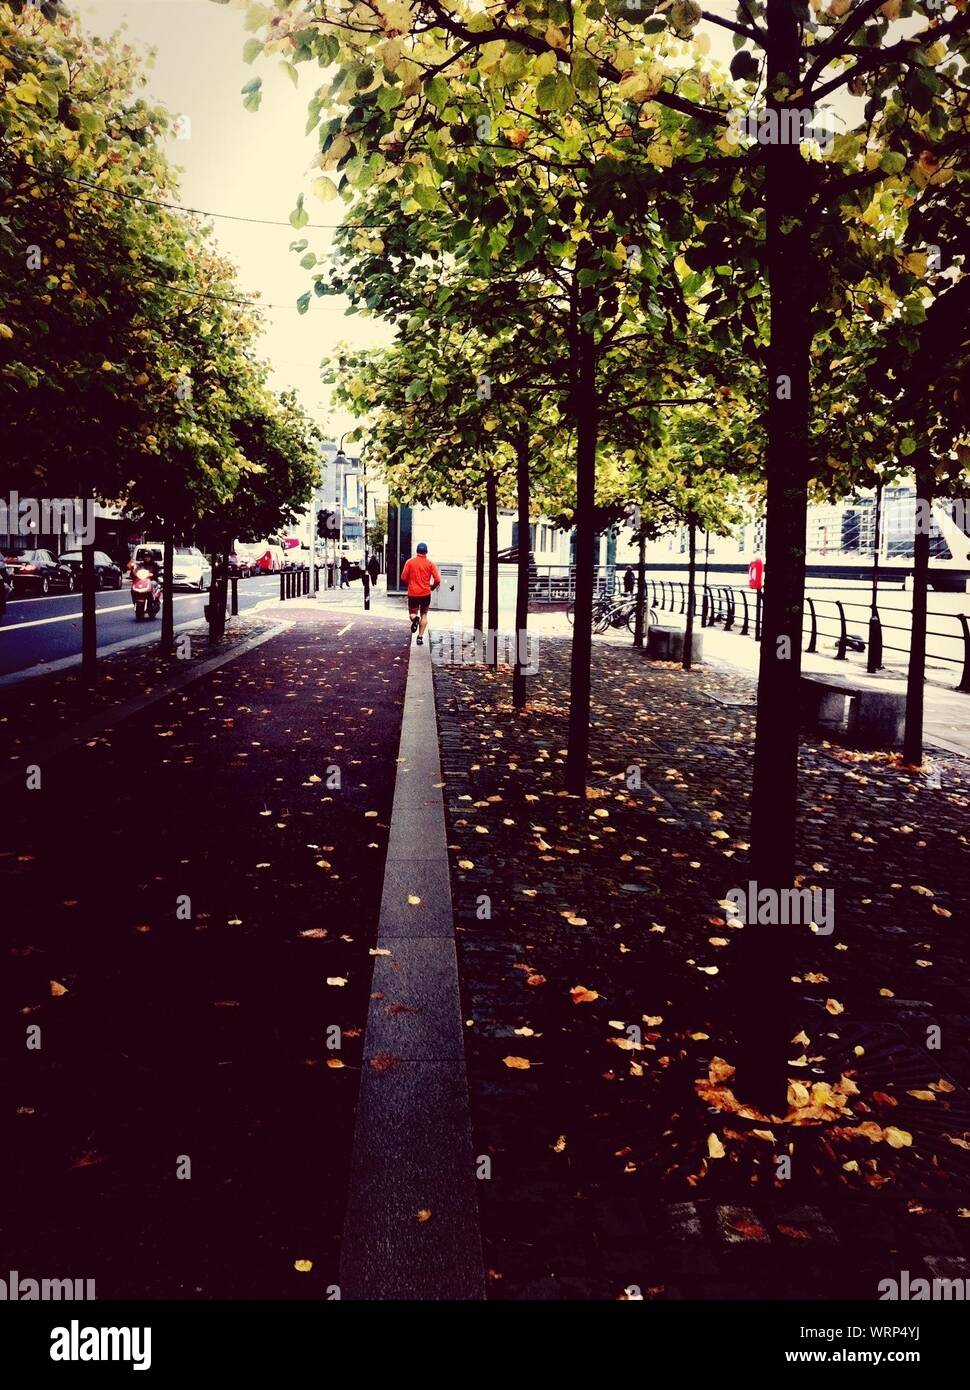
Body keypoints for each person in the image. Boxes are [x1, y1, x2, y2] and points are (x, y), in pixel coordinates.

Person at [400, 542, 440, 646]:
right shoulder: (430, 563)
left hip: (413, 593)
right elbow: (438, 579)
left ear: (417, 551)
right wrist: (432, 587)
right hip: (426, 593)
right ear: (426, 552)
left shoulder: (410, 562)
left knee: (412, 614)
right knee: (424, 614)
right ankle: (420, 638)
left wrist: (411, 582)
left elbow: (403, 577)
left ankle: (415, 619)